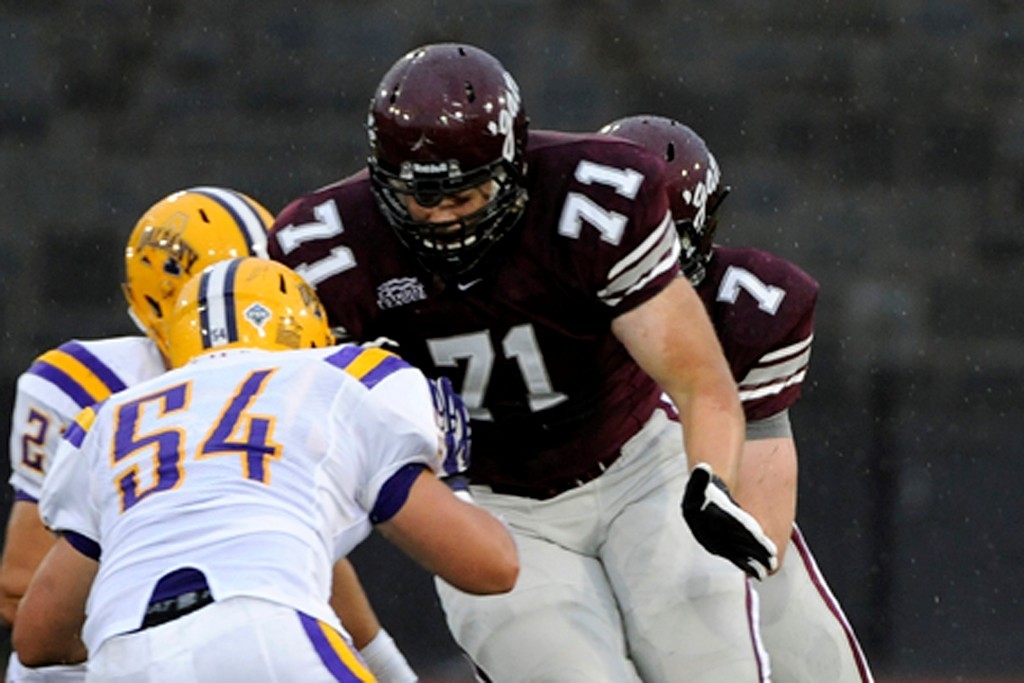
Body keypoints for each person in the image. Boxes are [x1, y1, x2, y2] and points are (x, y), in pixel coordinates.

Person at [269, 42, 777, 682]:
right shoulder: (327, 250)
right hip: (490, 501)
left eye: (466, 193)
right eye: (421, 197)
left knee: (712, 668)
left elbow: (698, 377)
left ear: (514, 165)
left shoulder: (592, 198)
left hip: (639, 467)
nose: (442, 217)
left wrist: (710, 478)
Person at [11, 257, 518, 681]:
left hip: (123, 654)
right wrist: (453, 479)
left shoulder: (108, 418)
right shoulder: (337, 379)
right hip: (268, 629)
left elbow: (37, 640)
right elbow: (490, 568)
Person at [0, 188, 417, 682]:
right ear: (164, 300)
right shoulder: (84, 385)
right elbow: (19, 589)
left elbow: (295, 553)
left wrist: (392, 673)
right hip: (91, 661)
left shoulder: (286, 379)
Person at [599, 114, 874, 682]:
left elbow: (763, 533)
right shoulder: (533, 299)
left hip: (704, 528)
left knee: (804, 647)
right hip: (572, 519)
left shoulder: (747, 306)